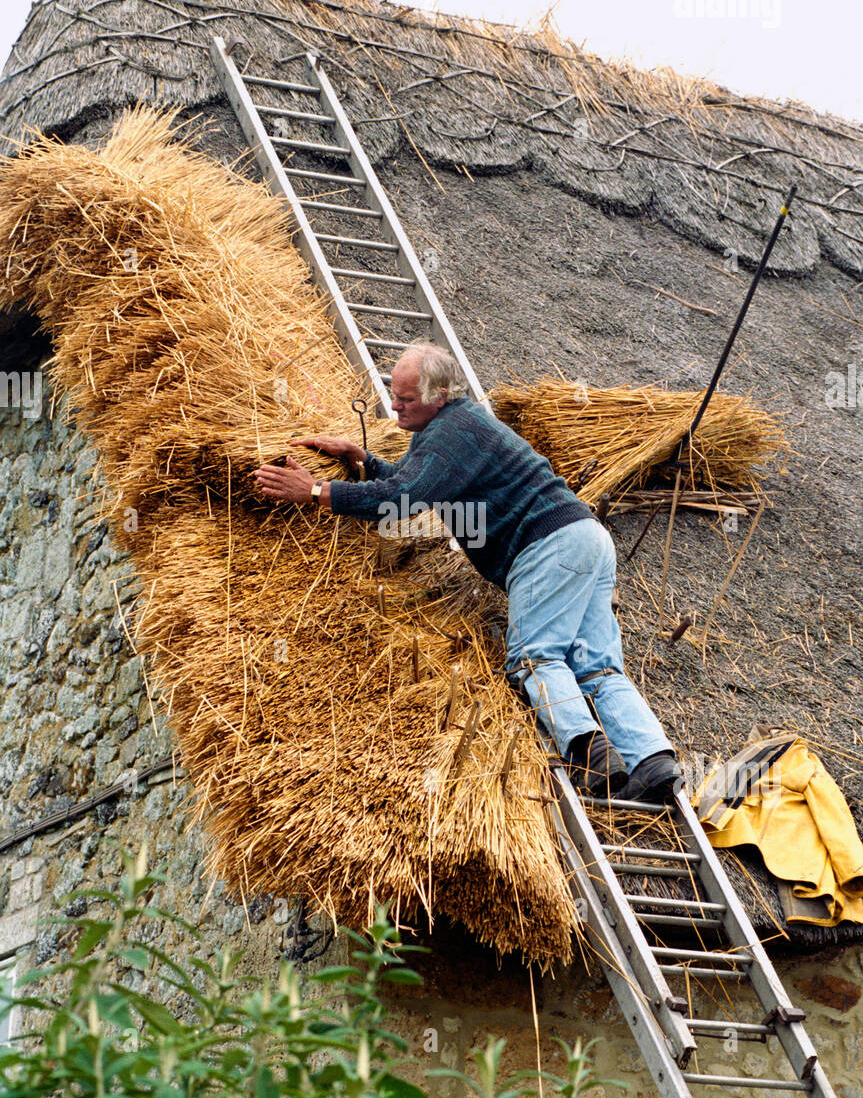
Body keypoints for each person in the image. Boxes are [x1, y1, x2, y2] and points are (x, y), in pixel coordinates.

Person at [254, 341, 683, 802]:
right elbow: (417, 482)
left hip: (548, 546)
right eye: (393, 394)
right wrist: (362, 458)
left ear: (439, 394)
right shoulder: (456, 425)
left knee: (534, 658)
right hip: (586, 539)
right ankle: (652, 758)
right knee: (595, 666)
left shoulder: (451, 432)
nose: (394, 406)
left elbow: (402, 501)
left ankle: (589, 756)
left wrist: (316, 489)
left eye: (406, 399)